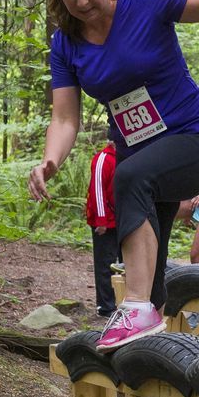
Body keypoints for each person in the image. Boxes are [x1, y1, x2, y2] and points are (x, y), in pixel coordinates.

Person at [28, 0, 199, 350]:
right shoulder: (65, 43)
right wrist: (49, 161)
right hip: (146, 163)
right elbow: (65, 117)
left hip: (194, 143)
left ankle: (133, 306)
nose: (82, 1)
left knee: (129, 175)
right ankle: (145, 346)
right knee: (152, 290)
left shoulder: (148, 0)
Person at [85, 136, 120, 319]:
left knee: (124, 264)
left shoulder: (125, 156)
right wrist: (101, 220)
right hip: (105, 222)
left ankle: (123, 302)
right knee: (105, 264)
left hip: (123, 219)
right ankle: (106, 307)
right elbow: (96, 189)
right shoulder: (103, 159)